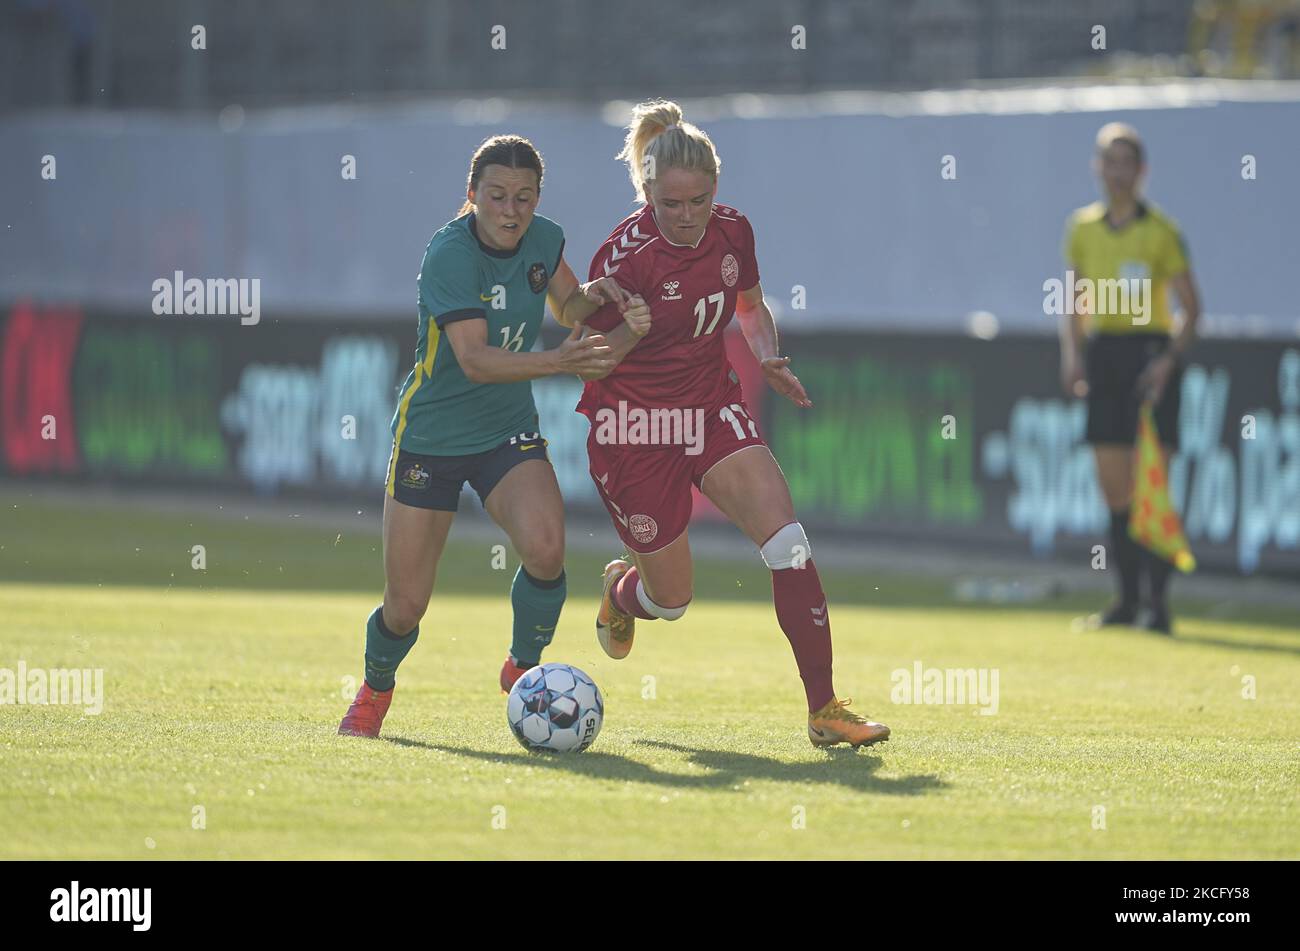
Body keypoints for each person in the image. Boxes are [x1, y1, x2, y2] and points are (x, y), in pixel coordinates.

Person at [577, 100, 890, 749]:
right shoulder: (623, 258)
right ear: (648, 193)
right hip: (634, 432)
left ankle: (824, 708)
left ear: (715, 189)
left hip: (709, 407)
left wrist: (766, 353)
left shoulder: (733, 231)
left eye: (700, 200)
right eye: (672, 204)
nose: (688, 216)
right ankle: (622, 591)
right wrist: (628, 335)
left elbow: (749, 308)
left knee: (788, 541)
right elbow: (585, 357)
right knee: (672, 600)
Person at [339, 134, 648, 738]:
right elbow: (475, 360)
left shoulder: (543, 238)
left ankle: (523, 671)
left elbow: (564, 306)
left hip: (506, 428)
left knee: (547, 549)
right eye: (498, 196)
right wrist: (559, 364)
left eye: (524, 198)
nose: (511, 210)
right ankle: (375, 690)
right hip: (432, 435)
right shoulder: (449, 255)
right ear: (472, 195)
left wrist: (593, 296)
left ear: (537, 199)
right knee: (405, 606)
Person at [1059, 122, 1202, 635]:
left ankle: (1159, 607)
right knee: (1114, 488)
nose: (1116, 173)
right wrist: (1073, 355)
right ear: (1098, 168)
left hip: (1149, 355)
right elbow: (1074, 301)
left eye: (1126, 163)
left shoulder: (1161, 232)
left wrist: (1167, 361)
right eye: (1108, 162)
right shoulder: (1082, 228)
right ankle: (1126, 600)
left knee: (1152, 487)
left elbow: (1192, 308)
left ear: (1141, 171)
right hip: (1106, 357)